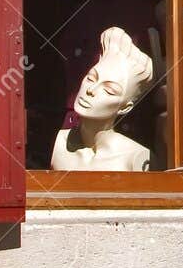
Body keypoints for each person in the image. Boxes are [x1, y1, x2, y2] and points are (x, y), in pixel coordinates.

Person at [50, 27, 156, 172]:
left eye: (109, 90)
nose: (91, 90)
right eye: (91, 78)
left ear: (125, 107)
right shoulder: (55, 144)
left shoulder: (136, 157)